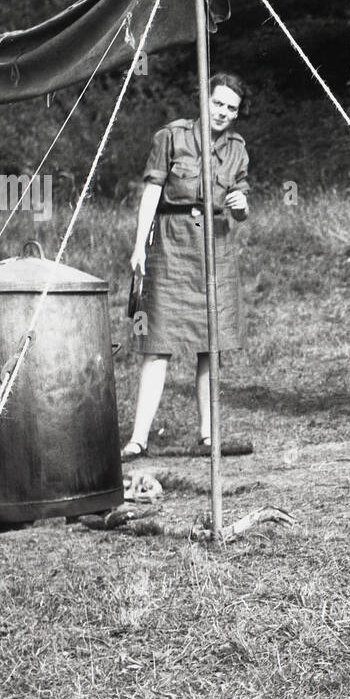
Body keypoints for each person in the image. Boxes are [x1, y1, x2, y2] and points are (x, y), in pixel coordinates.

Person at [122, 72, 252, 460]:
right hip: (172, 239)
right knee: (157, 343)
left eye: (232, 108)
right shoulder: (172, 136)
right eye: (218, 103)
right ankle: (138, 440)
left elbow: (241, 199)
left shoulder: (237, 149)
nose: (223, 113)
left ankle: (209, 437)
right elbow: (152, 192)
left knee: (210, 346)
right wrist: (139, 245)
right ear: (204, 99)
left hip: (215, 244)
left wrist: (241, 207)